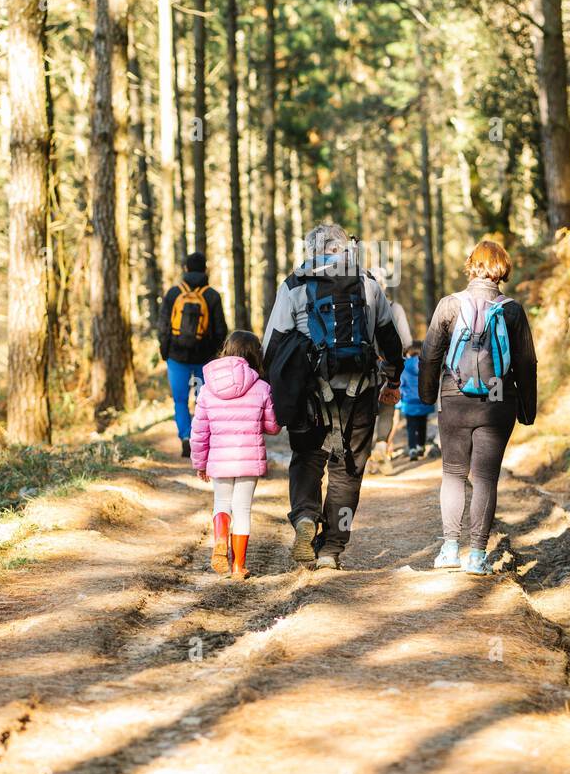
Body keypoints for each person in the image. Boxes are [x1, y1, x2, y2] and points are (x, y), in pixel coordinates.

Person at [263, 223, 404, 570]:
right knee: (348, 471)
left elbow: (273, 346)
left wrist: (275, 389)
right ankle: (333, 548)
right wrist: (393, 379)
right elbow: (390, 338)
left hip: (310, 395)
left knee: (307, 460)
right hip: (361, 391)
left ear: (310, 249)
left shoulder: (295, 284)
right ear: (345, 249)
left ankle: (305, 518)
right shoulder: (367, 282)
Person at [419, 238, 537, 575]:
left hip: (454, 397)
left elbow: (430, 355)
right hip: (498, 398)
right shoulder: (512, 309)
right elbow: (527, 363)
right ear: (502, 268)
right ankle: (477, 556)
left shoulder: (449, 305)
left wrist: (429, 397)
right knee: (485, 478)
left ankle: (450, 548)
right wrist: (527, 409)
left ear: (471, 266)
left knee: (454, 474)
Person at [189, 331, 281, 580]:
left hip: (219, 461)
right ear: (255, 355)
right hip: (248, 459)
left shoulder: (207, 389)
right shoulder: (262, 387)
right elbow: (272, 427)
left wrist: (200, 463)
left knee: (222, 504)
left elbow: (199, 432)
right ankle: (239, 567)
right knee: (242, 509)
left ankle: (220, 541)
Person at [158, 252, 228, 456]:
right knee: (203, 399)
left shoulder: (173, 293)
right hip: (204, 359)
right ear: (204, 270)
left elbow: (163, 326)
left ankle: (186, 436)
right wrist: (217, 355)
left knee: (180, 400)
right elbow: (220, 330)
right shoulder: (212, 295)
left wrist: (165, 352)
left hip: (176, 358)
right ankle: (202, 440)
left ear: (186, 269)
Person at [368, 295, 413, 474]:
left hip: (364, 367)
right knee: (387, 407)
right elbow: (407, 341)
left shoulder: (358, 303)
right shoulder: (395, 308)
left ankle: (363, 457)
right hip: (389, 366)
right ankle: (380, 447)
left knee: (364, 410)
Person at [397, 342, 436, 460]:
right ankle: (421, 446)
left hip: (409, 402)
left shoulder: (404, 366)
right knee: (422, 424)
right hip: (423, 400)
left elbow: (401, 384)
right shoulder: (425, 365)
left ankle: (412, 448)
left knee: (411, 426)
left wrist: (400, 399)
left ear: (409, 352)